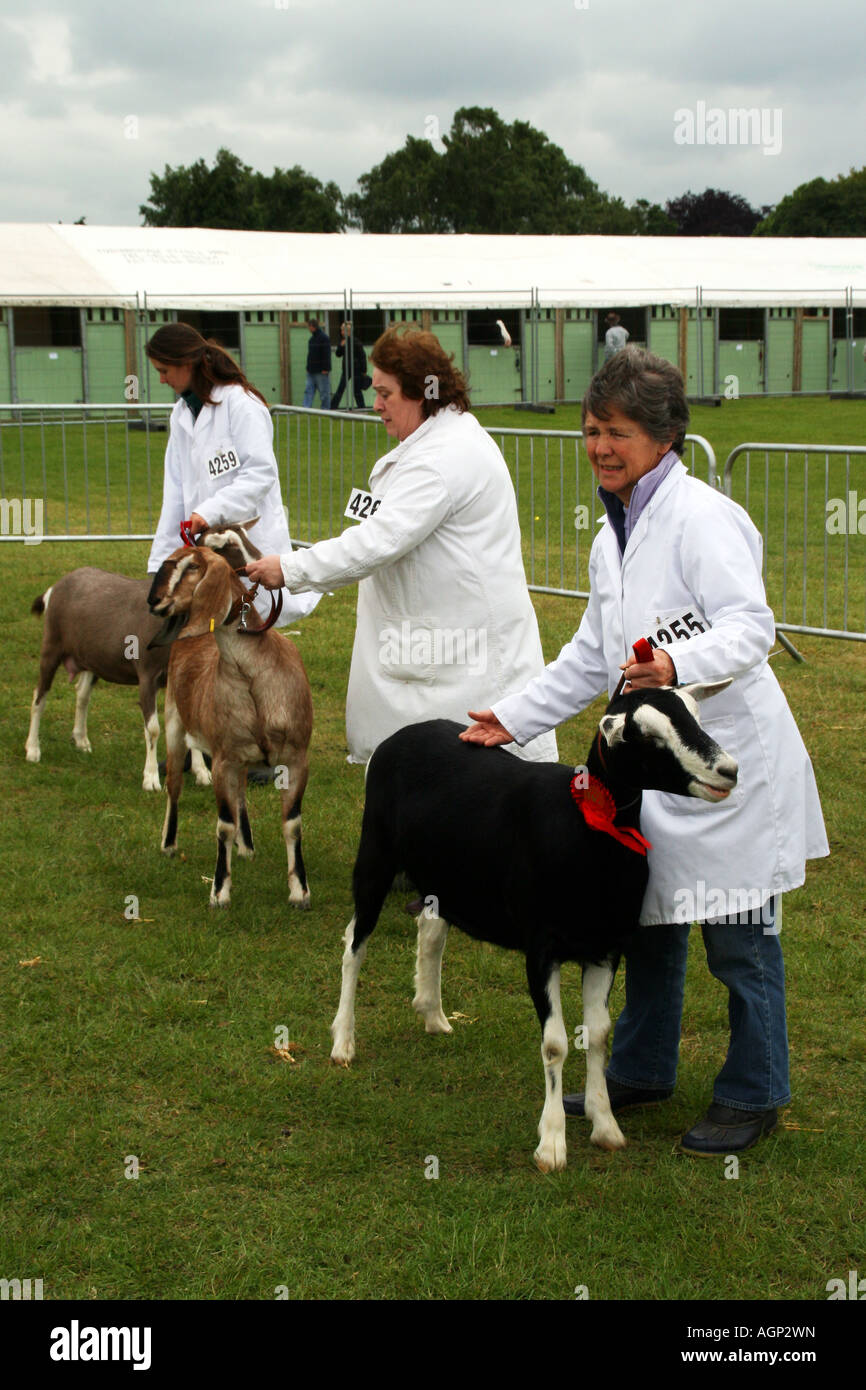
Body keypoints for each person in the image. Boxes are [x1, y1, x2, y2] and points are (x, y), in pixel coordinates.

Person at [460, 346, 829, 1155]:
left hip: (723, 763)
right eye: (592, 430)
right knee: (650, 925)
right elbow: (592, 659)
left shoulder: (702, 518)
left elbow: (751, 625)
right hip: (653, 769)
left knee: (739, 938)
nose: (599, 447)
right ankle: (641, 1068)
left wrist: (676, 664)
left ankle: (755, 1090)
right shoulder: (611, 532)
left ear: (663, 438)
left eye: (617, 432)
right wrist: (512, 718)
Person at [244, 324, 557, 765]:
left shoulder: (442, 459)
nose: (376, 405)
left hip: (464, 661)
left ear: (421, 392)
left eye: (386, 394)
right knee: (432, 782)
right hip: (441, 644)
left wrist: (290, 570)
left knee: (465, 782)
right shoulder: (442, 440)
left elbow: (379, 540)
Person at [145, 322, 319, 623]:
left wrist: (209, 512)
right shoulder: (181, 414)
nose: (161, 379)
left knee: (251, 628)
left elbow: (260, 474)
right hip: (206, 544)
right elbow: (175, 491)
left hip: (247, 543)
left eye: (164, 370)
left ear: (186, 363)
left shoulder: (242, 405)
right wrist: (162, 563)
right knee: (214, 627)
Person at [330, 322, 369, 410]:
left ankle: (362, 408)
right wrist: (341, 345)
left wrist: (363, 370)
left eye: (342, 330)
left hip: (356, 369)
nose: (341, 332)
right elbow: (338, 354)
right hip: (346, 369)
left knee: (356, 390)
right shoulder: (343, 341)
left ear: (347, 331)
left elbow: (362, 356)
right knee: (341, 388)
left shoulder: (356, 342)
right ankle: (333, 407)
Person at [303, 318, 331, 409]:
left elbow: (326, 354)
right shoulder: (312, 339)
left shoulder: (323, 338)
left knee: (324, 392)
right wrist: (308, 367)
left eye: (309, 327)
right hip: (311, 370)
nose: (308, 329)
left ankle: (325, 409)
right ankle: (306, 408)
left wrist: (326, 369)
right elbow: (310, 355)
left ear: (312, 327)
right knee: (308, 390)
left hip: (320, 371)